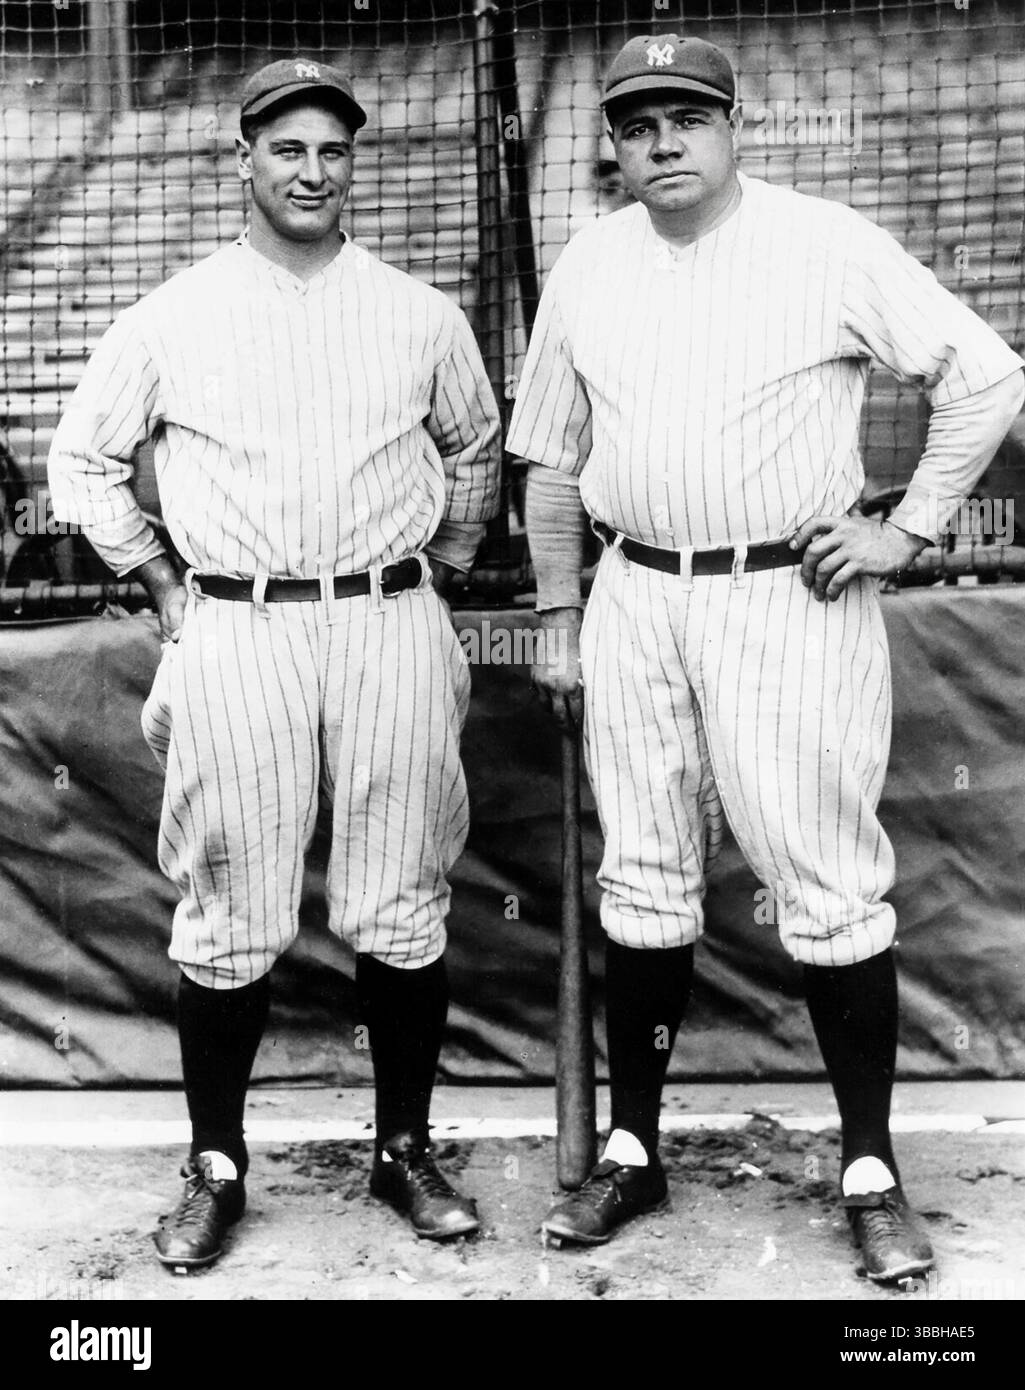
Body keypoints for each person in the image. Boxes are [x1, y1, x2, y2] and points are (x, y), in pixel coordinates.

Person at [508, 33, 1023, 1281]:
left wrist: (901, 529)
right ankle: (631, 1147)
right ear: (613, 147)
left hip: (783, 594)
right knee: (641, 873)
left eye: (687, 116)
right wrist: (562, 615)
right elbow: (554, 464)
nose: (662, 142)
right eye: (637, 124)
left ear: (736, 126)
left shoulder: (824, 242)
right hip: (637, 592)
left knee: (825, 878)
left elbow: (986, 376)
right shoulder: (590, 259)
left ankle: (867, 1167)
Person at [48, 58, 502, 1270]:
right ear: (240, 160)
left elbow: (474, 446)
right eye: (287, 147)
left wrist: (439, 574)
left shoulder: (417, 309)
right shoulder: (173, 312)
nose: (311, 169)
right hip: (237, 621)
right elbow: (81, 462)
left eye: (333, 149)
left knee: (400, 900)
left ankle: (401, 1148)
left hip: (387, 616)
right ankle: (215, 1164)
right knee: (230, 907)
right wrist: (156, 578)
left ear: (355, 163)